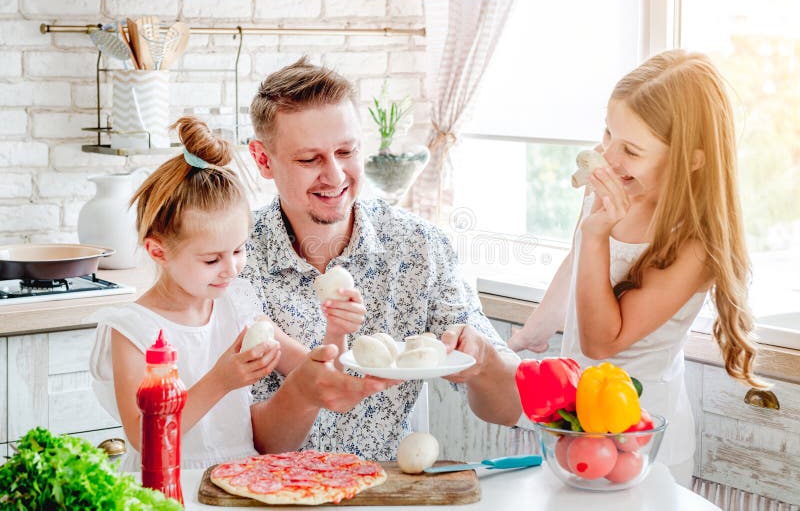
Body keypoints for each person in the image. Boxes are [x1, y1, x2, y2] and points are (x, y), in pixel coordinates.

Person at [242, 57, 523, 461]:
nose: (336, 175)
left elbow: (508, 408)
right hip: (269, 495)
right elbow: (244, 440)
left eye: (346, 151)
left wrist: (484, 362)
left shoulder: (418, 247)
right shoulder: (231, 261)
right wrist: (307, 389)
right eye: (310, 159)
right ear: (263, 159)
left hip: (389, 493)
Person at [508, 50, 765, 487]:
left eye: (630, 149)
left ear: (691, 159)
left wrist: (595, 236)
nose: (607, 156)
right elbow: (577, 263)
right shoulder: (608, 191)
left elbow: (600, 341)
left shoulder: (695, 244)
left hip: (642, 438)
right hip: (576, 419)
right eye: (607, 132)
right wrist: (535, 331)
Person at [88, 116, 393, 472]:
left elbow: (314, 372)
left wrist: (337, 333)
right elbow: (146, 437)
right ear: (158, 251)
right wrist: (222, 380)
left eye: (238, 250)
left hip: (240, 481)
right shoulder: (132, 330)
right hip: (166, 488)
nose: (232, 268)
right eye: (211, 259)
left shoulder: (238, 305)